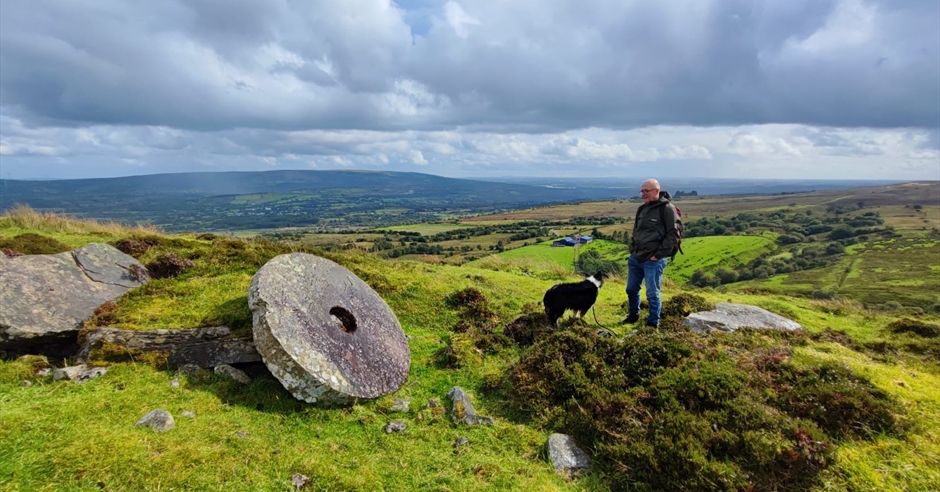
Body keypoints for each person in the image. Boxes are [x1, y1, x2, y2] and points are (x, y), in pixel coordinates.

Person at [621, 179, 679, 328]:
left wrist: (657, 256)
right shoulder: (642, 209)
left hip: (653, 260)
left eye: (646, 191)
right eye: (642, 191)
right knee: (631, 289)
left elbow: (673, 235)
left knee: (652, 293)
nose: (643, 194)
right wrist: (632, 249)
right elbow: (636, 231)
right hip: (636, 257)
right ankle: (633, 315)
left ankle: (653, 323)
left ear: (656, 191)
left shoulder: (667, 209)